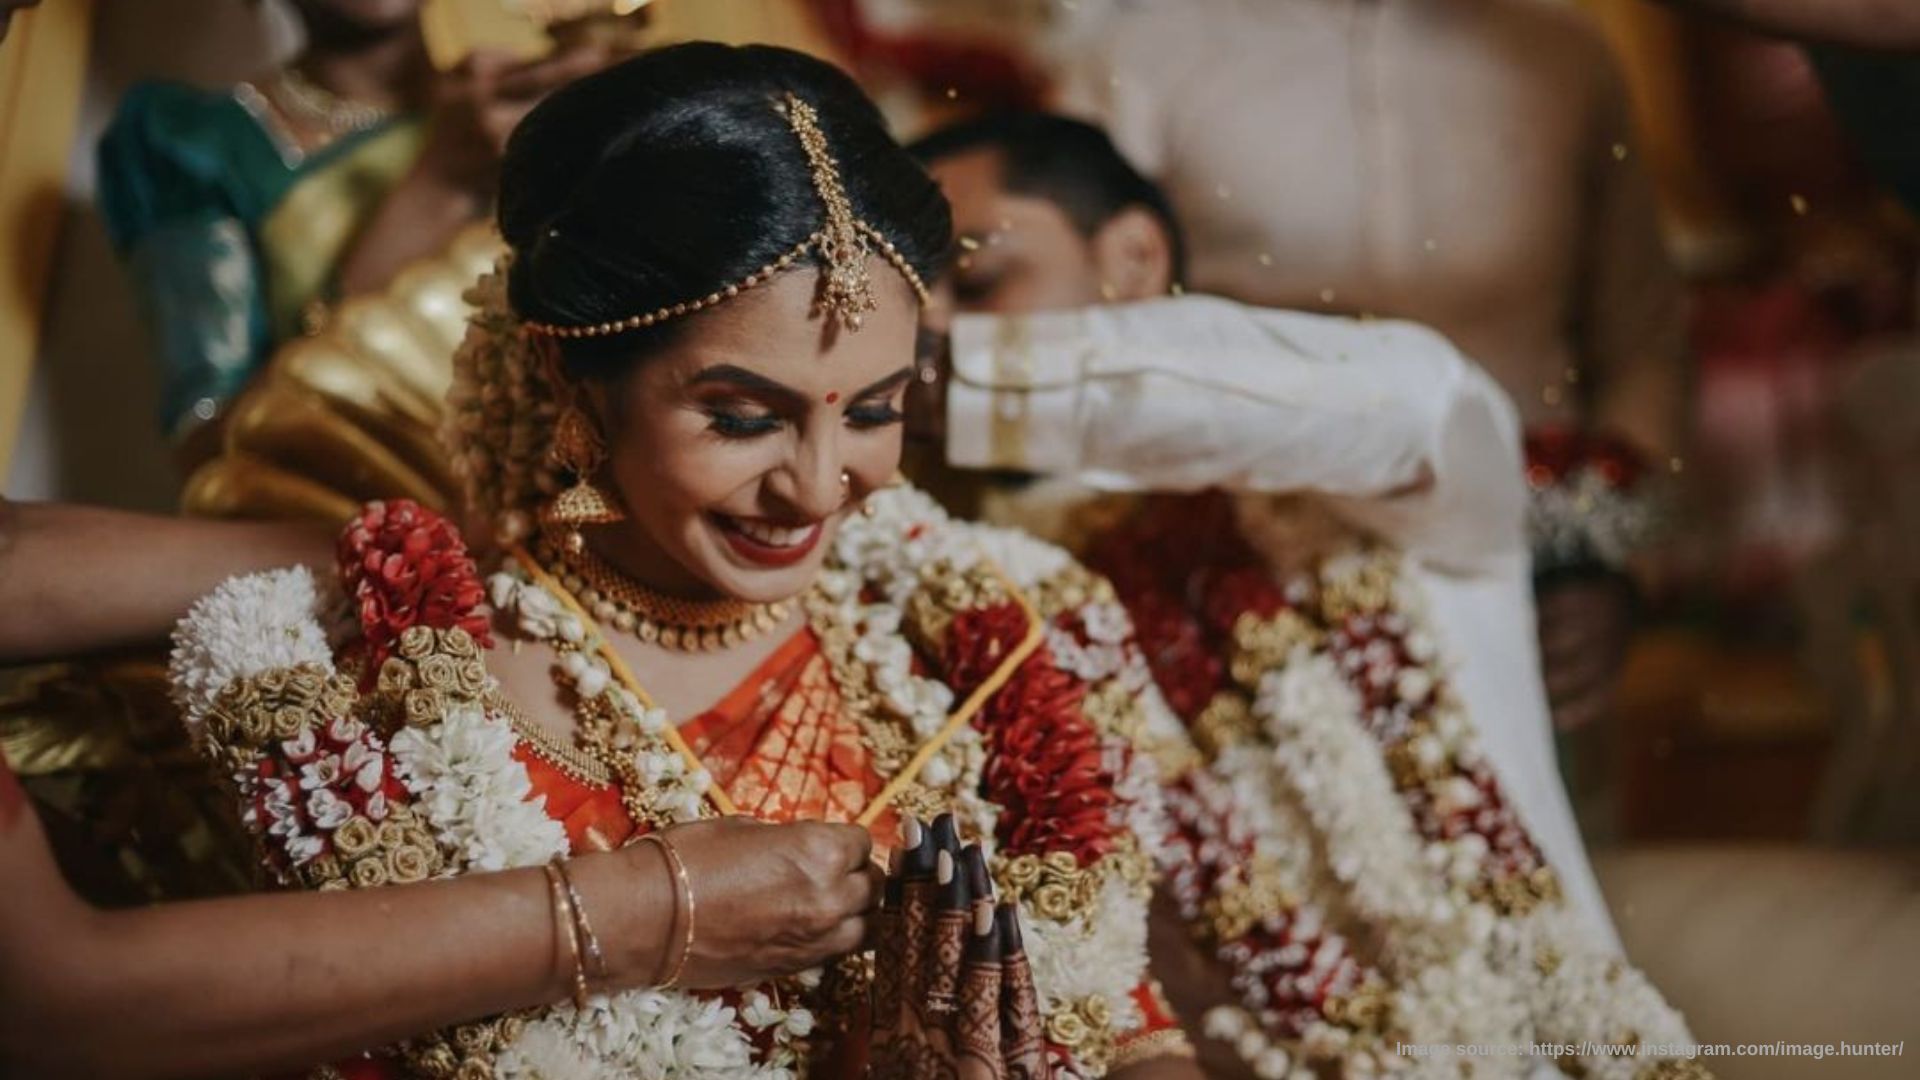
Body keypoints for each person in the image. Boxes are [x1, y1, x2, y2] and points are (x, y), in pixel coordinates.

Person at [163, 43, 1202, 1078]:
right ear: (569, 375)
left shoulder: (976, 641)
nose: (817, 486)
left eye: (875, 410)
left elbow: (1136, 1034)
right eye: (744, 418)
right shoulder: (412, 703)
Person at [908, 112, 1699, 1079]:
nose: (930, 325)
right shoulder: (957, 593)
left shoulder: (1360, 475)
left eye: (979, 279)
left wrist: (976, 380)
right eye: (905, 303)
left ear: (1134, 257)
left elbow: (1422, 401)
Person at [1055, 0, 1686, 740]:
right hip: (1240, 616)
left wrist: (1609, 561)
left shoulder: (1560, 50)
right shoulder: (1139, 55)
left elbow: (1641, 341)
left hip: (1530, 590)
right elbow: (1077, 340)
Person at [95, 0, 608, 453]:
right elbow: (208, 448)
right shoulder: (198, 144)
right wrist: (436, 187)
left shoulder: (519, 105)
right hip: (355, 516)